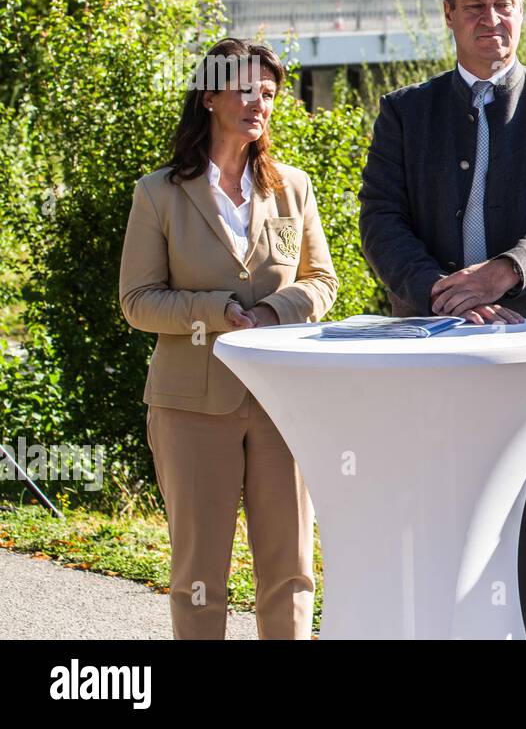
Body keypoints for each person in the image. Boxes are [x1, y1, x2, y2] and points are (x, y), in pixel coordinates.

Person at [358, 0, 526, 639]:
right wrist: (439, 291)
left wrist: (505, 271)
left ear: (521, 10)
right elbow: (379, 217)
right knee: (437, 518)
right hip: (433, 348)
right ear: (448, 13)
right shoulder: (407, 113)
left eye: (504, 4)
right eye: (475, 5)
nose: (492, 19)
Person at [119, 38, 339, 639]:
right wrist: (217, 312)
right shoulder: (157, 193)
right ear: (210, 95)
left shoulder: (292, 187)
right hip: (190, 406)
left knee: (291, 572)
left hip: (282, 404)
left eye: (268, 94)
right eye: (246, 90)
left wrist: (271, 311)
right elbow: (138, 302)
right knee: (199, 576)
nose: (259, 103)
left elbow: (322, 282)